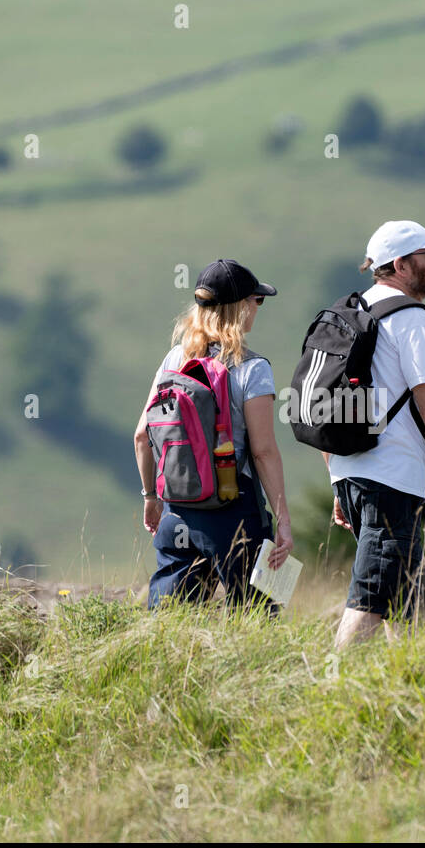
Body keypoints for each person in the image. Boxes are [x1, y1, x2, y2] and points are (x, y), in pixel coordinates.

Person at [325, 221, 425, 649]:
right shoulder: (410, 317)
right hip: (390, 480)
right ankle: (332, 689)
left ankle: (409, 686)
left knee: (399, 598)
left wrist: (338, 481)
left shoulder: (352, 313)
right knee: (370, 600)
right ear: (399, 264)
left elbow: (328, 401)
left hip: (351, 475)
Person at [134, 259, 293, 610]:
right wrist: (283, 522)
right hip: (234, 504)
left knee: (171, 621)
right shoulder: (253, 369)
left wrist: (150, 497)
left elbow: (142, 436)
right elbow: (264, 452)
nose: (257, 308)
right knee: (260, 613)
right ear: (240, 307)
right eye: (257, 300)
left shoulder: (174, 359)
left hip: (177, 505)